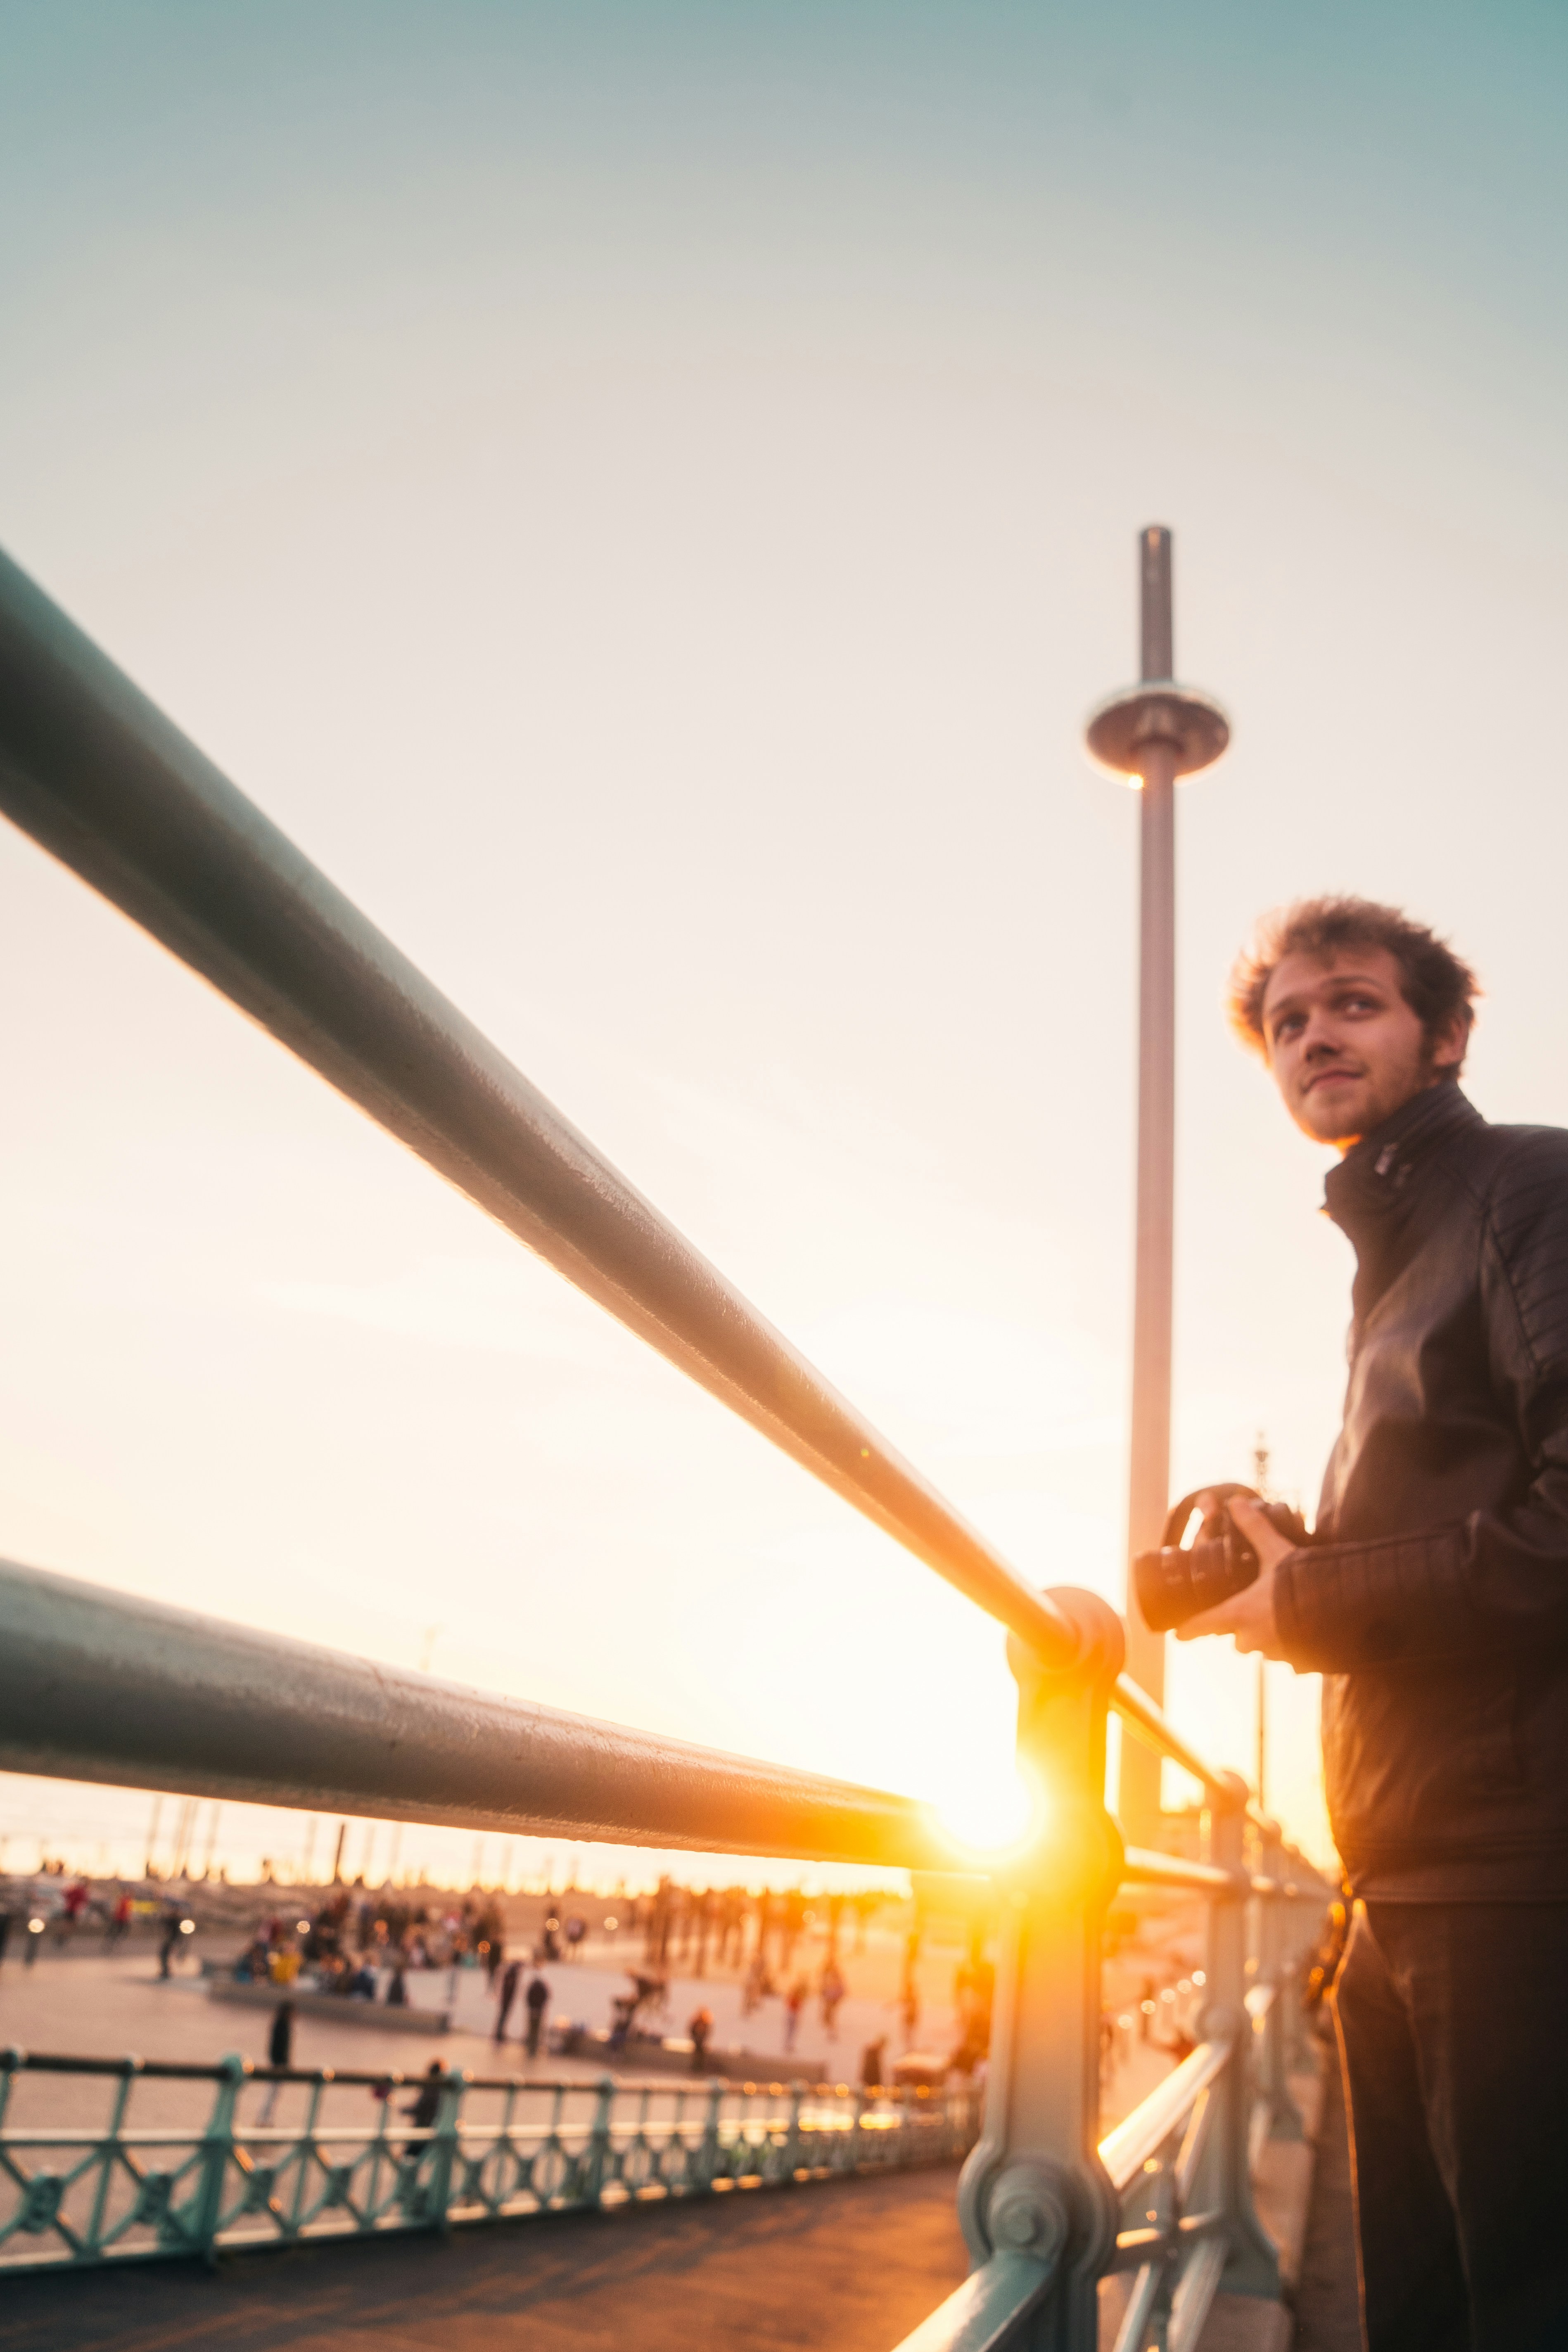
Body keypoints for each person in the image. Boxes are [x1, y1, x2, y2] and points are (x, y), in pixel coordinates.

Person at [1181, 896, 1568, 2351]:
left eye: (1348, 1003)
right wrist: (1295, 1560)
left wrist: (1317, 1595)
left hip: (1513, 1884)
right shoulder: (1392, 1260)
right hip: (1395, 1880)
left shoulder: (1525, 1189)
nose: (1309, 1036)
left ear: (1445, 1032)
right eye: (1284, 1023)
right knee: (1416, 2311)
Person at [256, 1999, 294, 2127]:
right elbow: (279, 2047)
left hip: (279, 2064)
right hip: (279, 2065)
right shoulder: (282, 2025)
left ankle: (265, 2119)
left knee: (273, 2093)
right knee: (273, 2092)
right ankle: (264, 2120)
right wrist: (280, 2064)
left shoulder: (281, 2024)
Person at [495, 1955, 522, 2043]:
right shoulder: (512, 1974)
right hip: (507, 2000)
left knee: (503, 2017)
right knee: (503, 2017)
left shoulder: (511, 1973)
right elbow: (509, 1989)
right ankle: (499, 2034)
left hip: (506, 2000)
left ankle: (500, 2033)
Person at [524, 1970, 550, 2059]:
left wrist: (531, 2007)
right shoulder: (543, 1988)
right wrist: (541, 2007)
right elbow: (546, 1997)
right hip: (539, 2011)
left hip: (533, 2011)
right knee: (537, 2030)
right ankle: (533, 2048)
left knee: (532, 2030)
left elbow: (528, 1998)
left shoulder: (532, 1987)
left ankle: (531, 2047)